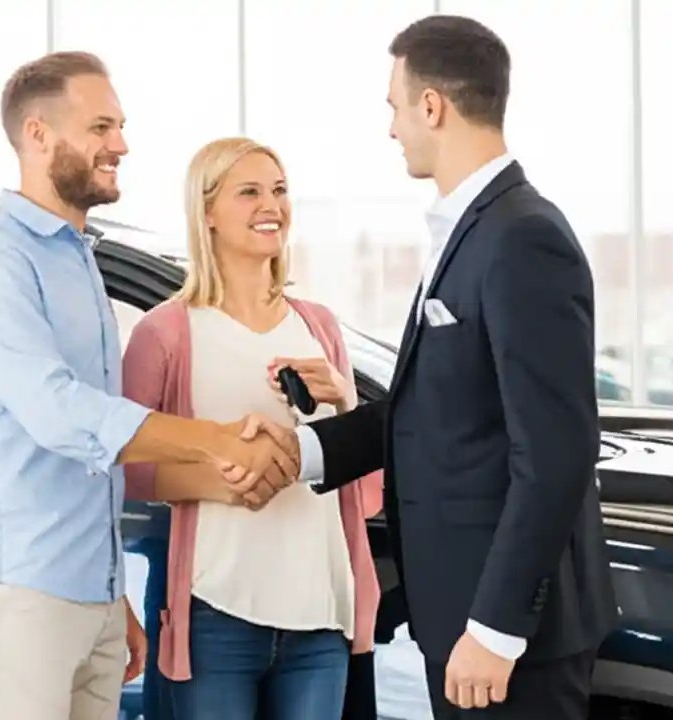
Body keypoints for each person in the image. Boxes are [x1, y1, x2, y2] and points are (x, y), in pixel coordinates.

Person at [246, 15, 618, 719]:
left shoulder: (523, 237)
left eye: (394, 106)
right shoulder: (475, 231)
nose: (392, 129)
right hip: (463, 617)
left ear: (431, 106)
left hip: (508, 635)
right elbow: (435, 412)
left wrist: (497, 627)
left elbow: (558, 451)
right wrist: (303, 451)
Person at [0, 51, 299, 720]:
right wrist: (218, 442)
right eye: (101, 127)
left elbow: (88, 463)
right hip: (21, 594)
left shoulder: (76, 259)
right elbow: (61, 414)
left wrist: (112, 599)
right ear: (38, 134)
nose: (121, 144)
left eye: (120, 127)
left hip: (89, 598)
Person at [121, 137, 385, 720]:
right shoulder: (165, 334)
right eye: (250, 192)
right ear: (207, 212)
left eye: (279, 190)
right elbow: (127, 468)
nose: (272, 204)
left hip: (321, 612)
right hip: (216, 612)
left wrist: (344, 405)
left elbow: (364, 491)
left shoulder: (319, 326)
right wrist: (227, 480)